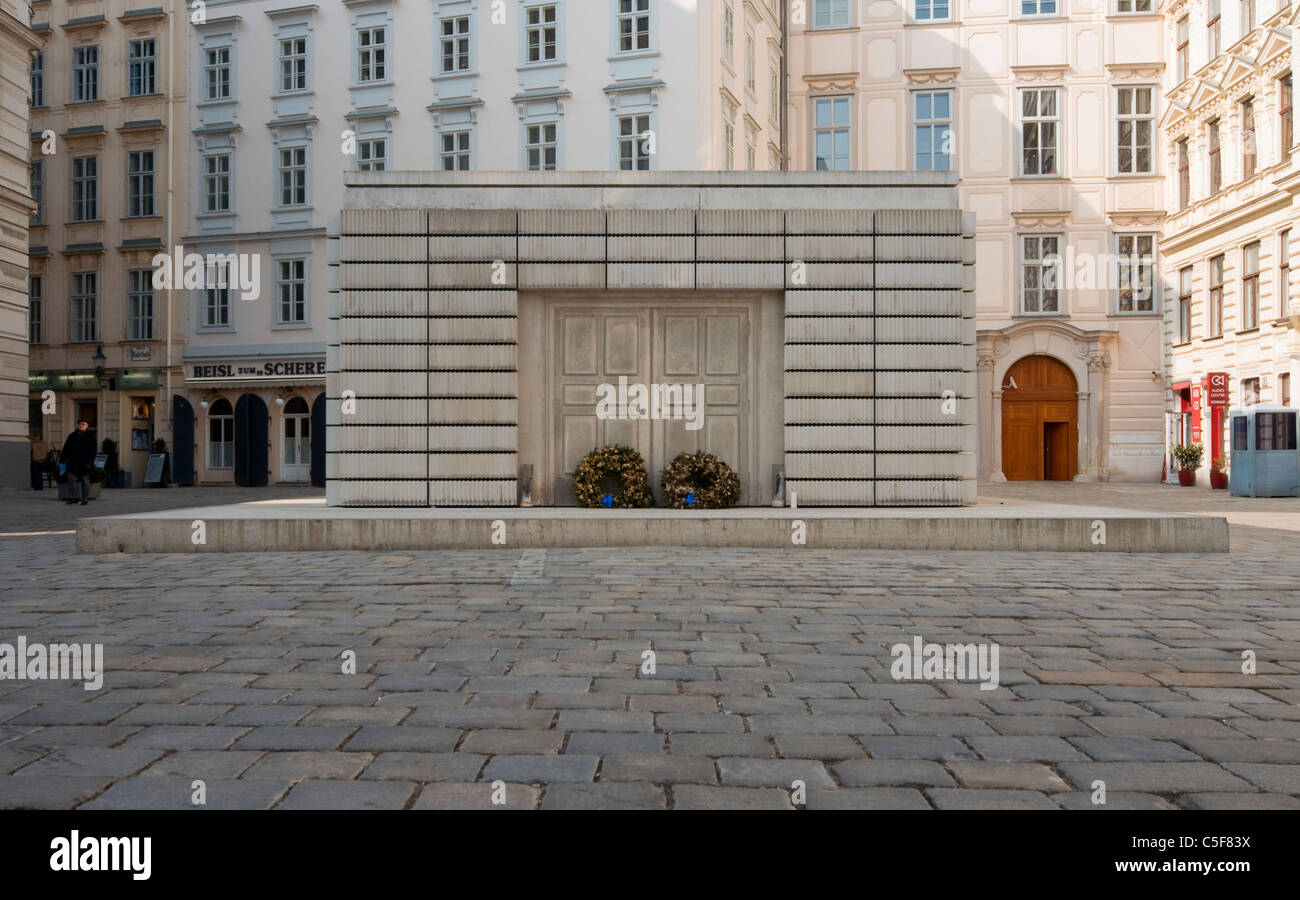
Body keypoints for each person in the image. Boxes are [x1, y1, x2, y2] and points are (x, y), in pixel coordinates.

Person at [60, 419, 95, 506]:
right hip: (73, 462)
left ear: (87, 426)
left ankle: (85, 499)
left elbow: (93, 451)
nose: (81, 425)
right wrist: (63, 458)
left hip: (85, 463)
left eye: (83, 424)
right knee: (71, 480)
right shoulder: (72, 436)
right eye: (79, 424)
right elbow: (66, 448)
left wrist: (90, 462)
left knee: (85, 482)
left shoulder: (91, 437)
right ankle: (73, 498)